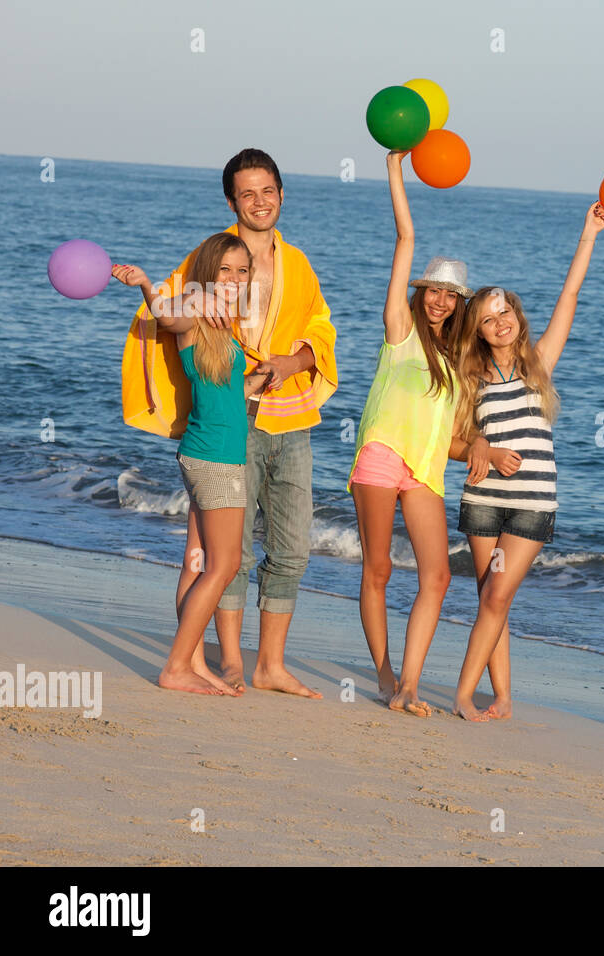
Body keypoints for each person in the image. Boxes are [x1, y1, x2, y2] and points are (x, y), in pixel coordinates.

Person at [121, 148, 338, 698]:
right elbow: (168, 311)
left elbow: (320, 324)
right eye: (248, 193)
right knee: (217, 555)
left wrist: (291, 362)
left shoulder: (300, 264)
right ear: (231, 201)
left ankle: (267, 664)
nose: (260, 202)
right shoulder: (211, 259)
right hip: (220, 429)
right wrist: (160, 291)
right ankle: (217, 662)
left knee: (286, 547)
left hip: (284, 414)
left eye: (268, 191)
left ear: (282, 194)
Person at [450, 202, 604, 722]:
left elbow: (570, 296)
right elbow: (450, 441)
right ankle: (503, 697)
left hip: (532, 504)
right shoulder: (468, 379)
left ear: (518, 317)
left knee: (495, 595)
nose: (500, 324)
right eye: (489, 319)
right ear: (477, 328)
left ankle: (462, 695)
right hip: (483, 500)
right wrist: (483, 448)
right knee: (491, 600)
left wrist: (587, 235)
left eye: (506, 314)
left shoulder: (540, 363)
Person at [348, 149, 492, 717]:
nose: (440, 299)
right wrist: (394, 172)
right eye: (433, 289)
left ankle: (409, 684)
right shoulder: (400, 330)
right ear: (420, 292)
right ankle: (384, 674)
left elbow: (449, 441)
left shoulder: (460, 363)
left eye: (450, 294)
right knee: (378, 569)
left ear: (459, 304)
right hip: (381, 457)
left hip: (424, 471)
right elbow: (404, 240)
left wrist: (479, 443)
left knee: (437, 576)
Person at [112, 234, 271, 694]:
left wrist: (257, 381)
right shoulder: (192, 315)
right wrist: (145, 282)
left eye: (243, 271)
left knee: (198, 563)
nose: (235, 279)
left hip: (214, 452)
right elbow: (165, 314)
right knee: (223, 567)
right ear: (208, 273)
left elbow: (222, 395)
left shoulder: (224, 325)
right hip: (215, 460)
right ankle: (177, 666)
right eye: (225, 270)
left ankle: (196, 663)